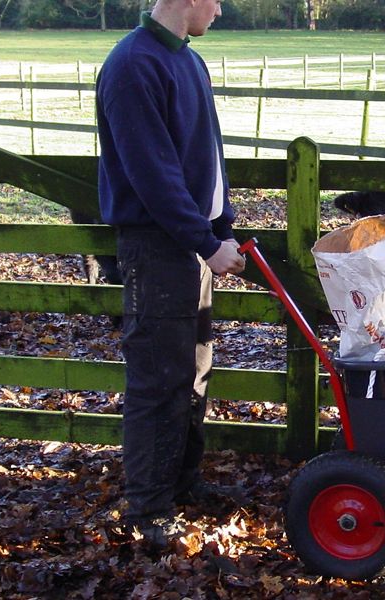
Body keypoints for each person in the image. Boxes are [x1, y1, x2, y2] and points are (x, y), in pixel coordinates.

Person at [95, 0, 246, 549]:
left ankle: (182, 483)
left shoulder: (188, 61)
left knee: (194, 371)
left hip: (191, 244)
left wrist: (221, 228)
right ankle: (149, 508)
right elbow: (152, 173)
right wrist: (205, 242)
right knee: (159, 380)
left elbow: (207, 157)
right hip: (156, 247)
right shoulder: (133, 64)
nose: (221, 9)